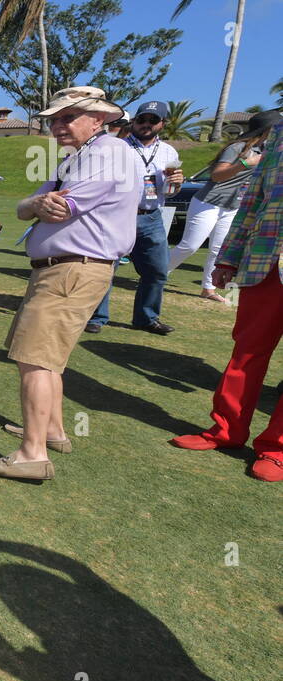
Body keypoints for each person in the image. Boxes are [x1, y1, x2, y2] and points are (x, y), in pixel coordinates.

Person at [0, 87, 143, 481]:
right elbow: (26, 206)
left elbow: (60, 206)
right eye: (54, 118)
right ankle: (50, 431)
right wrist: (37, 203)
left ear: (97, 119)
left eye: (68, 117)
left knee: (35, 358)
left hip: (73, 268)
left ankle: (32, 454)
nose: (57, 125)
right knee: (45, 358)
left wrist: (41, 204)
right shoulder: (79, 156)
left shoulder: (110, 154)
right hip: (61, 268)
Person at [170, 121, 283, 480]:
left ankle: (277, 449)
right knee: (246, 352)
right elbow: (254, 198)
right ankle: (226, 431)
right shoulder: (278, 132)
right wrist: (229, 256)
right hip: (265, 262)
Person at [84, 100, 185, 335]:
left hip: (152, 217)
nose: (146, 124)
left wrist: (176, 185)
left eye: (153, 120)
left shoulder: (169, 152)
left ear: (163, 123)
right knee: (106, 268)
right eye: (142, 119)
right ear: (133, 121)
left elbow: (170, 192)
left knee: (157, 270)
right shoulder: (116, 147)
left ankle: (146, 318)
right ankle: (97, 317)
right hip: (117, 216)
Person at [168, 110, 282, 303]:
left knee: (218, 250)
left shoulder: (270, 153)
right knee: (190, 246)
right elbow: (216, 176)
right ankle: (156, 274)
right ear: (266, 131)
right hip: (208, 202)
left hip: (232, 206)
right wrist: (246, 163)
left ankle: (208, 289)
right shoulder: (238, 148)